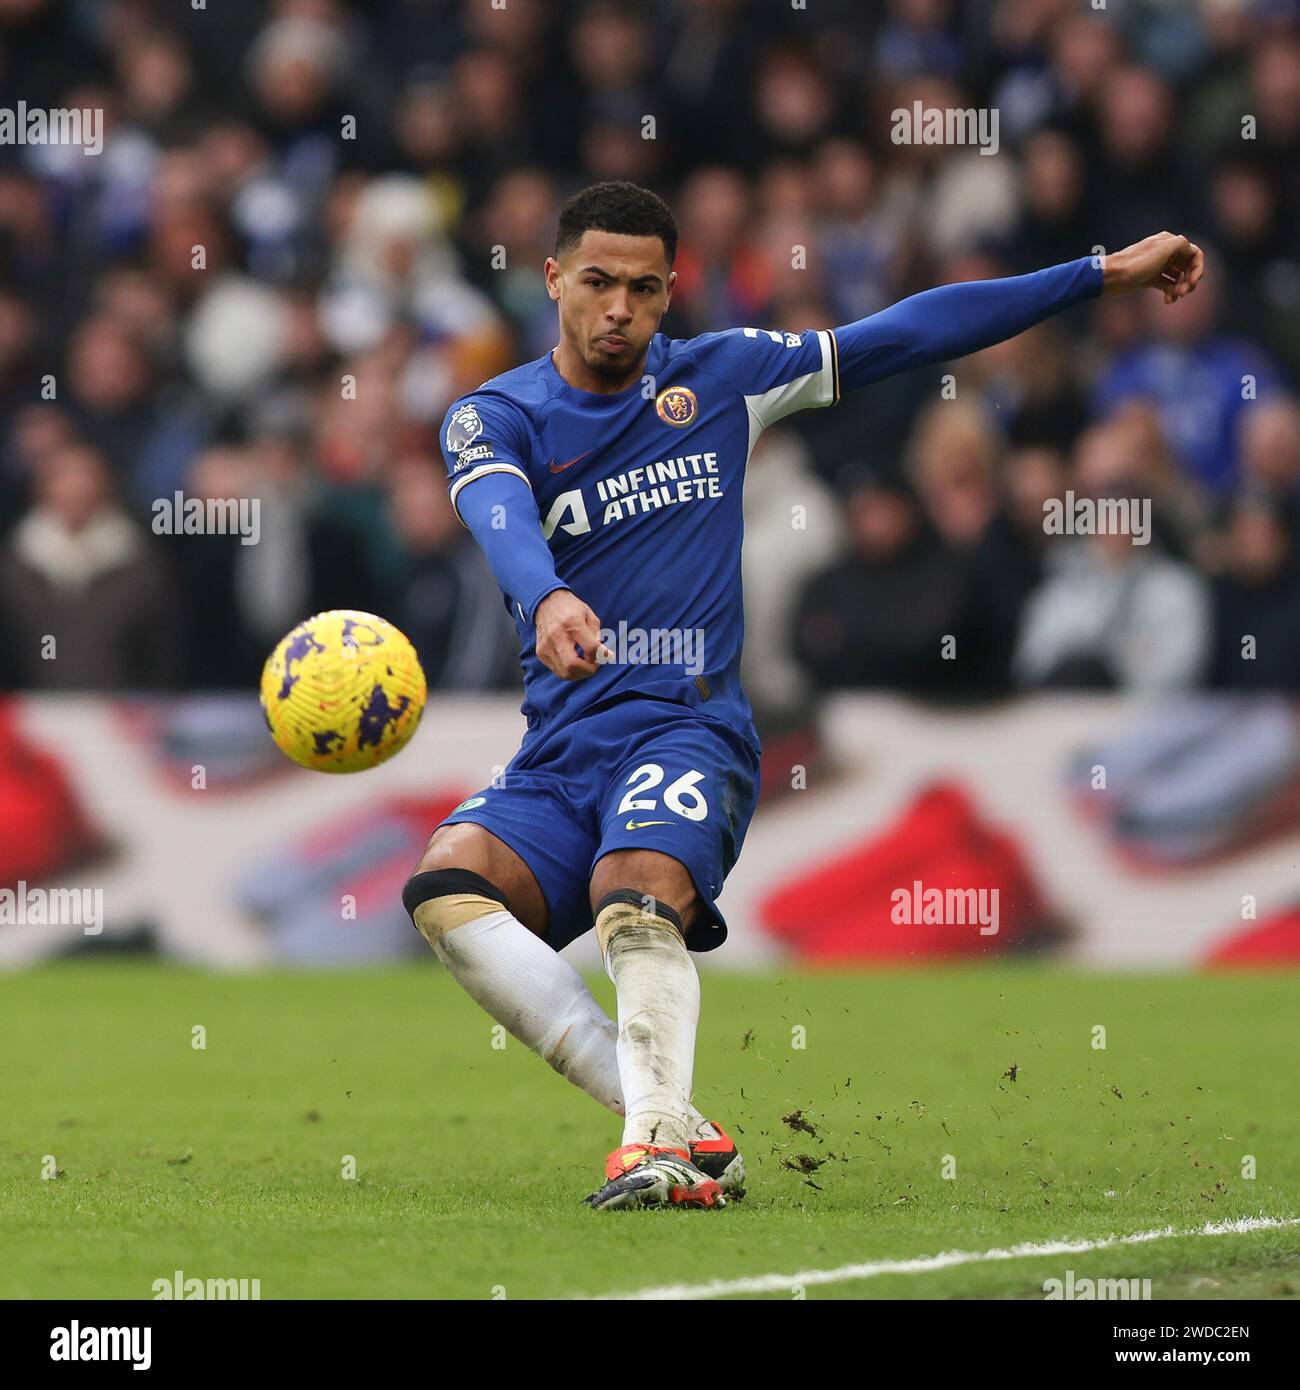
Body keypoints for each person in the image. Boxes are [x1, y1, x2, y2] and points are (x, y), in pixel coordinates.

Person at [403, 180, 1204, 1210]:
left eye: (642, 290)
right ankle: (676, 1126)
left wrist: (1092, 274)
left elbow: (906, 332)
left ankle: (653, 1148)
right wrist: (545, 591)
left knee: (633, 895)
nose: (617, 310)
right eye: (596, 282)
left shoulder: (725, 378)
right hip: (561, 749)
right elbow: (497, 508)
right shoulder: (495, 411)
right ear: (552, 278)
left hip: (688, 727)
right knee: (447, 886)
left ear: (668, 291)